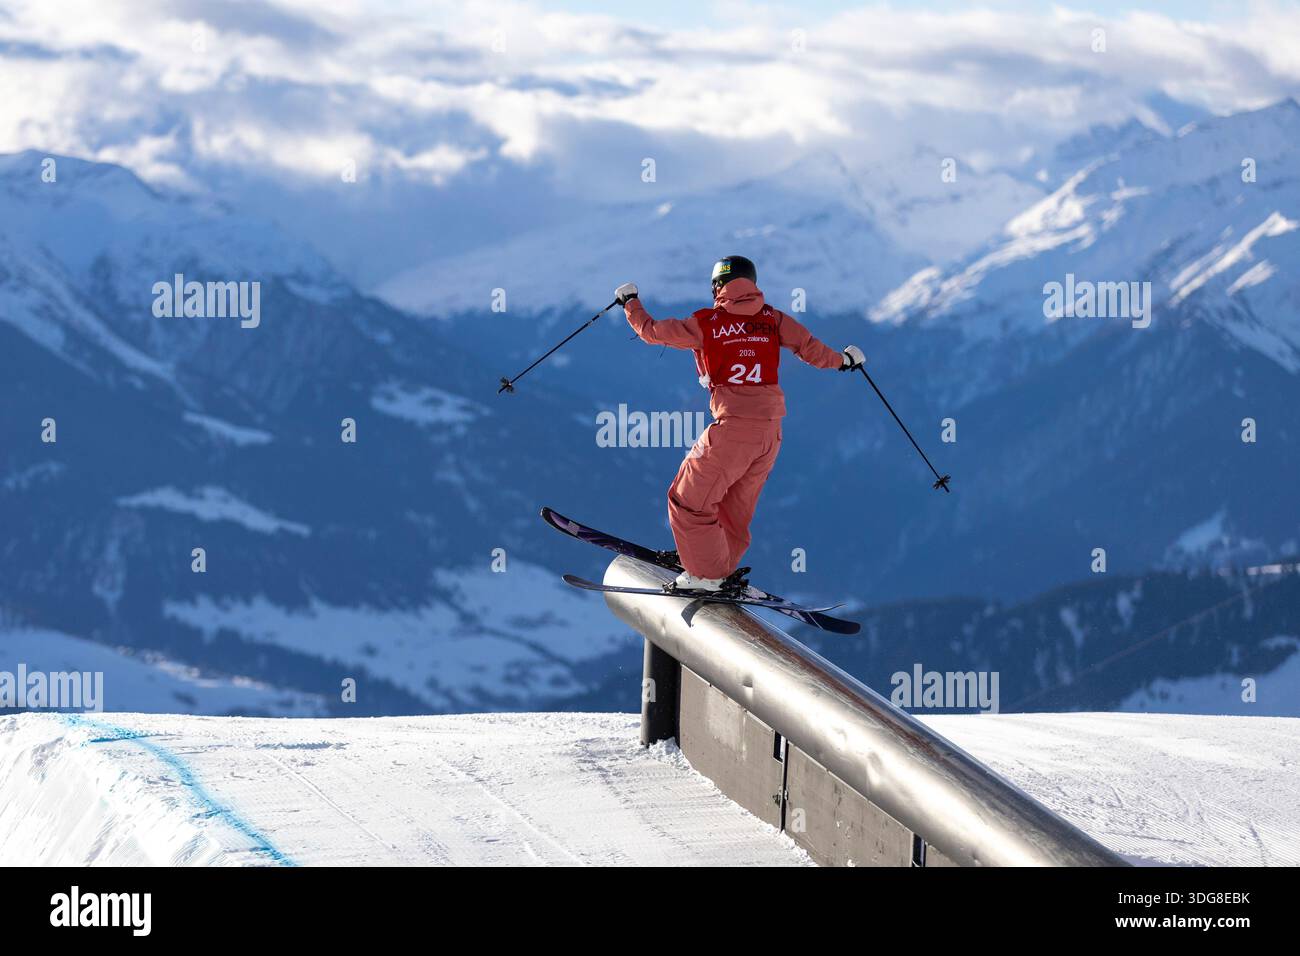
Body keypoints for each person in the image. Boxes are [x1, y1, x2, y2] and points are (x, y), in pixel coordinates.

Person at [615, 255, 866, 594]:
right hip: (771, 432)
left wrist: (630, 303)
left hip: (734, 428)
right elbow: (811, 350)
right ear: (752, 283)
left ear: (717, 286)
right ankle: (716, 563)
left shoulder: (706, 323)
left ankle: (706, 576)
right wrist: (845, 360)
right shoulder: (773, 319)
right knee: (733, 508)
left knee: (688, 501)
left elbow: (652, 332)